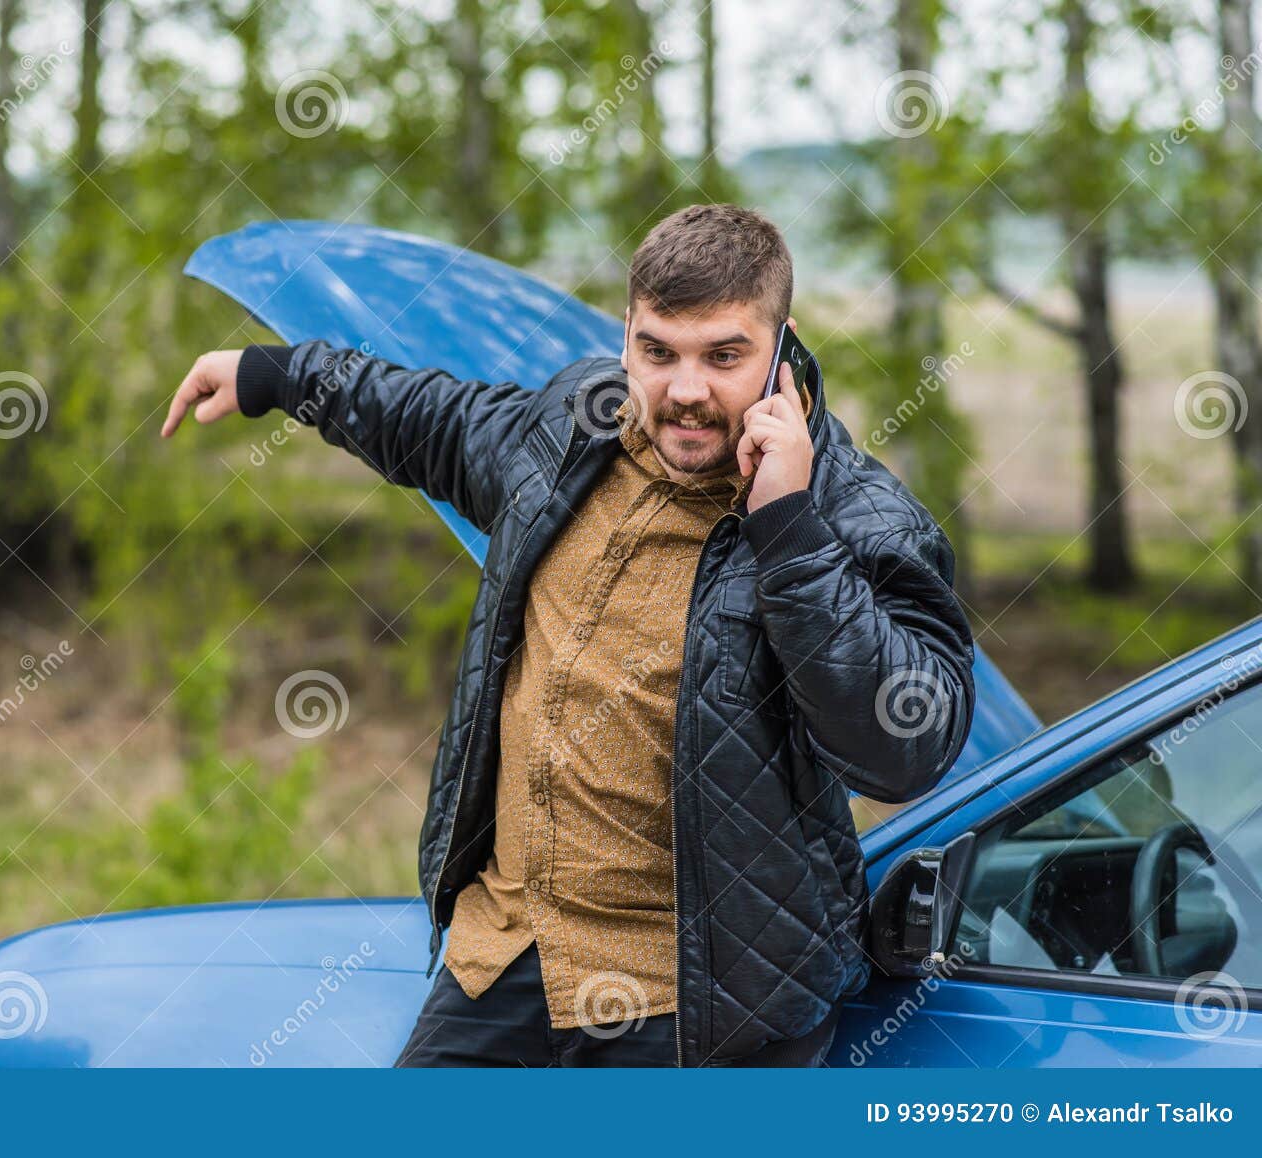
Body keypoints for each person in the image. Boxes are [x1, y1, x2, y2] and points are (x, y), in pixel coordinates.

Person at [160, 203, 977, 1067]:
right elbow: (431, 420)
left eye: (724, 355)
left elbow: (906, 751)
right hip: (512, 949)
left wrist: (790, 530)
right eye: (658, 351)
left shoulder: (860, 516)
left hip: (704, 1004)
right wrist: (278, 376)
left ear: (784, 346)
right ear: (627, 336)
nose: (686, 389)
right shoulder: (572, 428)